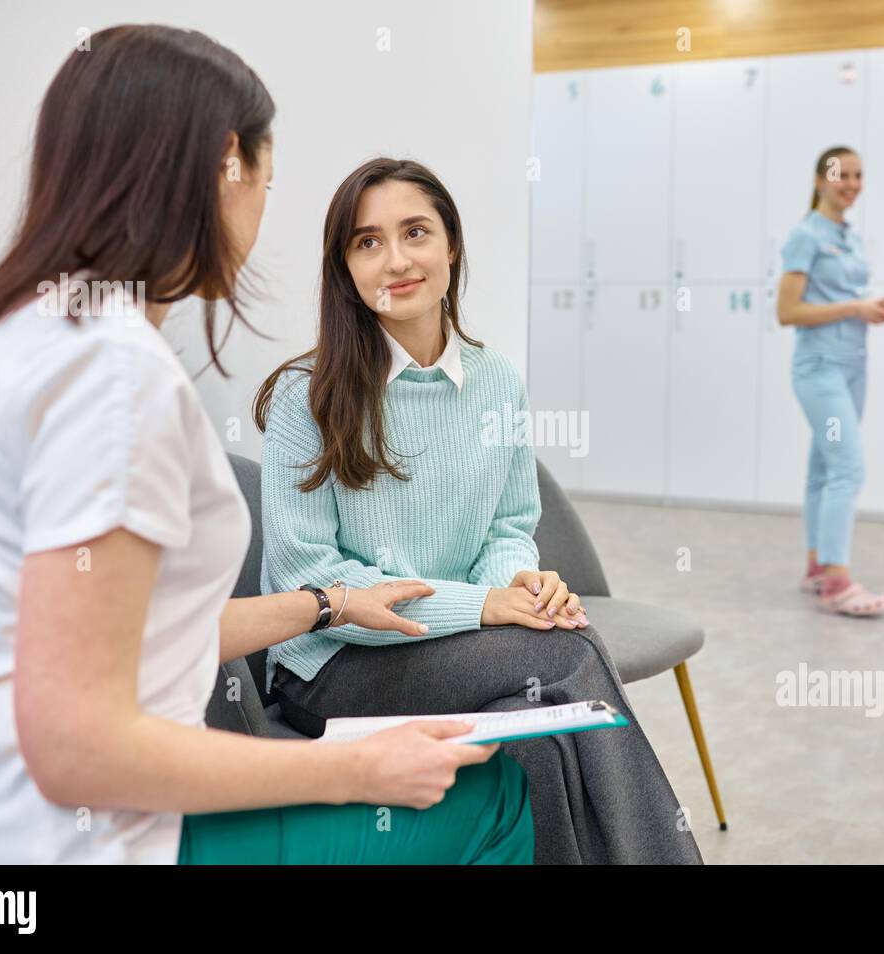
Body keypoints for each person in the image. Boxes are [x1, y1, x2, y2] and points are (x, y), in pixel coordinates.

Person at [0, 24, 533, 865]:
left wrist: (325, 605)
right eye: (266, 176)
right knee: (494, 799)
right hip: (58, 843)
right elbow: (78, 747)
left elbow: (127, 634)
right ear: (227, 165)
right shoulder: (115, 382)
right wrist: (352, 769)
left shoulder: (34, 336)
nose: (265, 206)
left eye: (415, 233)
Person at [253, 157, 703, 864]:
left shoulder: (494, 381)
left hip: (463, 656)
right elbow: (313, 580)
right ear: (344, 267)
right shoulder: (305, 397)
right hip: (336, 667)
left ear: (451, 245)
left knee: (538, 733)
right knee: (570, 650)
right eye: (367, 242)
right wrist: (485, 607)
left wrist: (518, 584)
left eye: (416, 232)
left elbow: (507, 526)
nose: (396, 259)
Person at [777, 146, 884, 617]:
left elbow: (840, 297)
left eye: (858, 175)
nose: (850, 183)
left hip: (854, 365)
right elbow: (787, 311)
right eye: (840, 175)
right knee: (848, 469)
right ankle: (837, 582)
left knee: (824, 468)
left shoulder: (847, 236)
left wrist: (870, 308)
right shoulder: (805, 236)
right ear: (819, 180)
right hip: (820, 369)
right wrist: (855, 308)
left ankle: (816, 565)